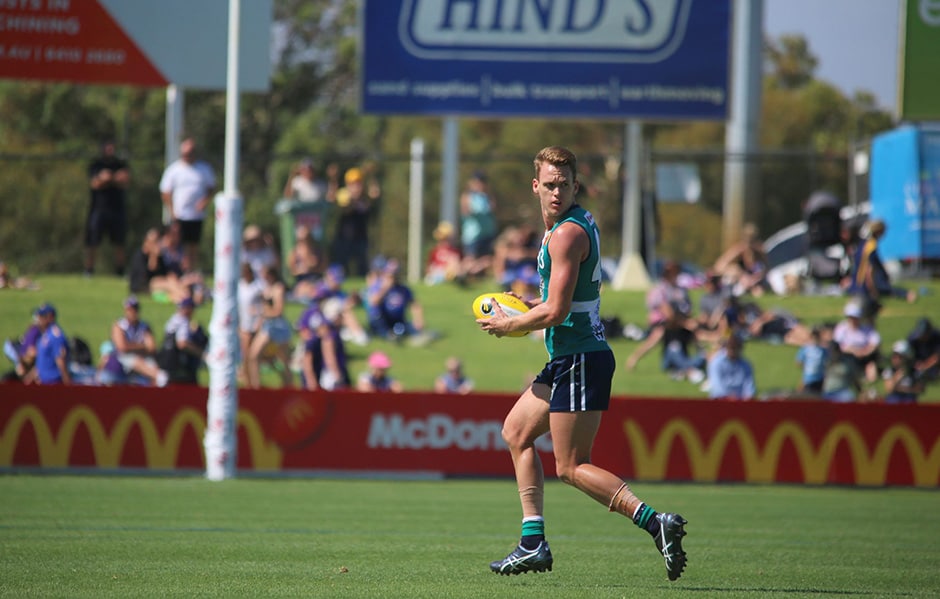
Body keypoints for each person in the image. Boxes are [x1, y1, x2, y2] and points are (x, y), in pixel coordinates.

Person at [476, 146, 687, 581]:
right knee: (516, 433)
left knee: (571, 466)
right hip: (570, 357)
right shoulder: (565, 227)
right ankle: (532, 543)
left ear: (576, 186)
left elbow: (556, 312)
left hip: (581, 359)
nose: (556, 192)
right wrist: (525, 305)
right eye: (549, 185)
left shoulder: (566, 234)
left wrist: (511, 324)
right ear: (535, 185)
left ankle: (655, 522)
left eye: (564, 185)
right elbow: (562, 300)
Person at [159, 137, 216, 273]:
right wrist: (172, 211)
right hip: (179, 215)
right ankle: (178, 270)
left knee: (193, 245)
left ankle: (191, 271)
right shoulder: (174, 170)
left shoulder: (204, 169)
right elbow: (165, 192)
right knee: (178, 244)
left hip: (196, 215)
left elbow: (211, 188)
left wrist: (204, 202)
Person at [847, 219, 916, 316]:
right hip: (863, 284)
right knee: (882, 290)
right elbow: (869, 270)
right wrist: (872, 289)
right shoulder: (871, 245)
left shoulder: (863, 244)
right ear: (879, 232)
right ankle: (907, 294)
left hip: (856, 284)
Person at [84, 140, 130, 277]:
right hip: (99, 209)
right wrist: (107, 179)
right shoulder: (96, 165)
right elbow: (95, 184)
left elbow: (125, 181)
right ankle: (89, 270)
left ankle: (120, 270)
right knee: (92, 241)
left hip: (117, 209)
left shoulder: (120, 164)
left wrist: (109, 178)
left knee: (119, 242)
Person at [246, 265, 293, 388]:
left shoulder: (278, 288)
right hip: (267, 325)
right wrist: (259, 322)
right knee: (254, 355)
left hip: (278, 326)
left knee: (283, 360)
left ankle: (289, 386)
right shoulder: (266, 288)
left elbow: (278, 311)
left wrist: (259, 312)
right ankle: (256, 386)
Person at [329, 166, 378, 277]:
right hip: (344, 237)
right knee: (342, 267)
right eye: (353, 183)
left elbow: (375, 194)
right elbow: (343, 208)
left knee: (362, 267)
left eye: (358, 183)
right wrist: (353, 198)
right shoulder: (343, 194)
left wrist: (371, 176)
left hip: (361, 236)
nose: (356, 186)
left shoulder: (365, 197)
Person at [110, 296, 168, 387]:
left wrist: (131, 346)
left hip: (142, 356)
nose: (133, 312)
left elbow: (152, 347)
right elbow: (122, 347)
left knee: (152, 364)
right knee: (135, 360)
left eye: (135, 309)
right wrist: (142, 346)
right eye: (130, 309)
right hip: (122, 358)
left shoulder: (144, 326)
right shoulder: (119, 325)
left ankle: (156, 386)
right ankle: (157, 376)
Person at [365, 258, 426, 342]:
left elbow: (414, 305)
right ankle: (388, 335)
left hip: (398, 320)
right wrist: (385, 288)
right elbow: (373, 302)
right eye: (390, 276)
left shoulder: (403, 289)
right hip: (381, 319)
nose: (393, 278)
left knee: (406, 329)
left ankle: (407, 334)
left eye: (394, 275)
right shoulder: (378, 286)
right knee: (380, 326)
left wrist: (418, 319)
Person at [158, 296, 207, 384]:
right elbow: (182, 344)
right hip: (176, 365)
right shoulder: (183, 321)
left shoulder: (173, 319)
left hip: (164, 361)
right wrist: (202, 354)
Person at [713, 222, 768, 297]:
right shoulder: (739, 249)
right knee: (733, 271)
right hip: (740, 280)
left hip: (755, 281)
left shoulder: (760, 251)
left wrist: (756, 278)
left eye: (752, 238)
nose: (749, 241)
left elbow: (767, 268)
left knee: (758, 292)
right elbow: (719, 266)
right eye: (747, 237)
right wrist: (740, 273)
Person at [283, 158, 333, 241]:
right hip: (300, 222)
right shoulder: (296, 182)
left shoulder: (321, 184)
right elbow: (287, 196)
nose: (308, 171)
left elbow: (330, 199)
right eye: (305, 169)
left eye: (310, 169)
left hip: (316, 222)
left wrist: (333, 179)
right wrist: (291, 176)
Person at [832, 300, 881, 384]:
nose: (853, 320)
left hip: (866, 355)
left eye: (855, 318)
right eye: (851, 317)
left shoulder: (867, 329)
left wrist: (865, 352)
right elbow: (838, 346)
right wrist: (854, 351)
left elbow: (875, 343)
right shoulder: (842, 328)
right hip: (848, 356)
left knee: (871, 366)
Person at [460, 171, 497, 280]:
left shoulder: (487, 197)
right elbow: (466, 211)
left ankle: (472, 274)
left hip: (487, 233)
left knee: (487, 258)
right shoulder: (468, 196)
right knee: (471, 258)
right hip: (473, 235)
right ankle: (462, 275)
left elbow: (493, 210)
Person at [705, 334, 756, 400]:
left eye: (735, 347)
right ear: (726, 347)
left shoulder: (746, 365)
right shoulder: (716, 363)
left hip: (741, 401)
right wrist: (730, 398)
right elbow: (717, 388)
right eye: (731, 347)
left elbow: (749, 387)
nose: (733, 350)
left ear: (740, 348)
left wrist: (748, 397)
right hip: (721, 401)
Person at [34, 303, 71, 385]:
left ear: (50, 317)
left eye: (42, 316)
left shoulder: (56, 336)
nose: (38, 319)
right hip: (43, 382)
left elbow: (61, 361)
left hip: (53, 383)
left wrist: (68, 384)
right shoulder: (45, 334)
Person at [882, 340, 924, 404]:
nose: (895, 359)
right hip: (894, 400)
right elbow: (889, 389)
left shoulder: (914, 371)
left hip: (909, 399)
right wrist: (897, 378)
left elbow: (920, 389)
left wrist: (900, 389)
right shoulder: (889, 371)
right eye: (894, 356)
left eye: (899, 357)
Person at [424, 221, 463, 285]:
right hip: (438, 273)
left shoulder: (455, 251)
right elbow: (429, 267)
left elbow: (458, 265)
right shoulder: (435, 250)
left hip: (451, 272)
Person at [795, 325, 828, 395]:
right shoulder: (806, 349)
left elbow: (828, 362)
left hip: (820, 378)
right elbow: (798, 362)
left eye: (817, 336)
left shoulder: (824, 350)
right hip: (808, 378)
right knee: (807, 396)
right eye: (814, 336)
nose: (815, 338)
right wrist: (807, 369)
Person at [906, 318, 940, 384]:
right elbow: (908, 355)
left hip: (933, 364)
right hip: (917, 363)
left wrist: (925, 366)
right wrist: (915, 364)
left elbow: (937, 356)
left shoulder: (937, 336)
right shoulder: (912, 338)